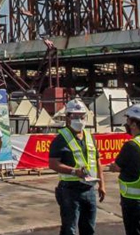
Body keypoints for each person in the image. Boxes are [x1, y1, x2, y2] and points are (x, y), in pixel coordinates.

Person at [48, 99, 106, 235]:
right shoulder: (61, 139)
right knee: (70, 229)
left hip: (89, 189)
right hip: (70, 189)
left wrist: (102, 184)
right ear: (67, 117)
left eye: (82, 116)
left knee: (89, 228)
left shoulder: (89, 137)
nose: (79, 119)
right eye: (75, 116)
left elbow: (97, 161)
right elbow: (53, 163)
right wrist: (74, 171)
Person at [108, 104, 140, 235]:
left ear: (134, 124)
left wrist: (111, 166)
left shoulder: (131, 145)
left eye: (128, 121)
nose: (126, 124)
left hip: (132, 200)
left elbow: (117, 167)